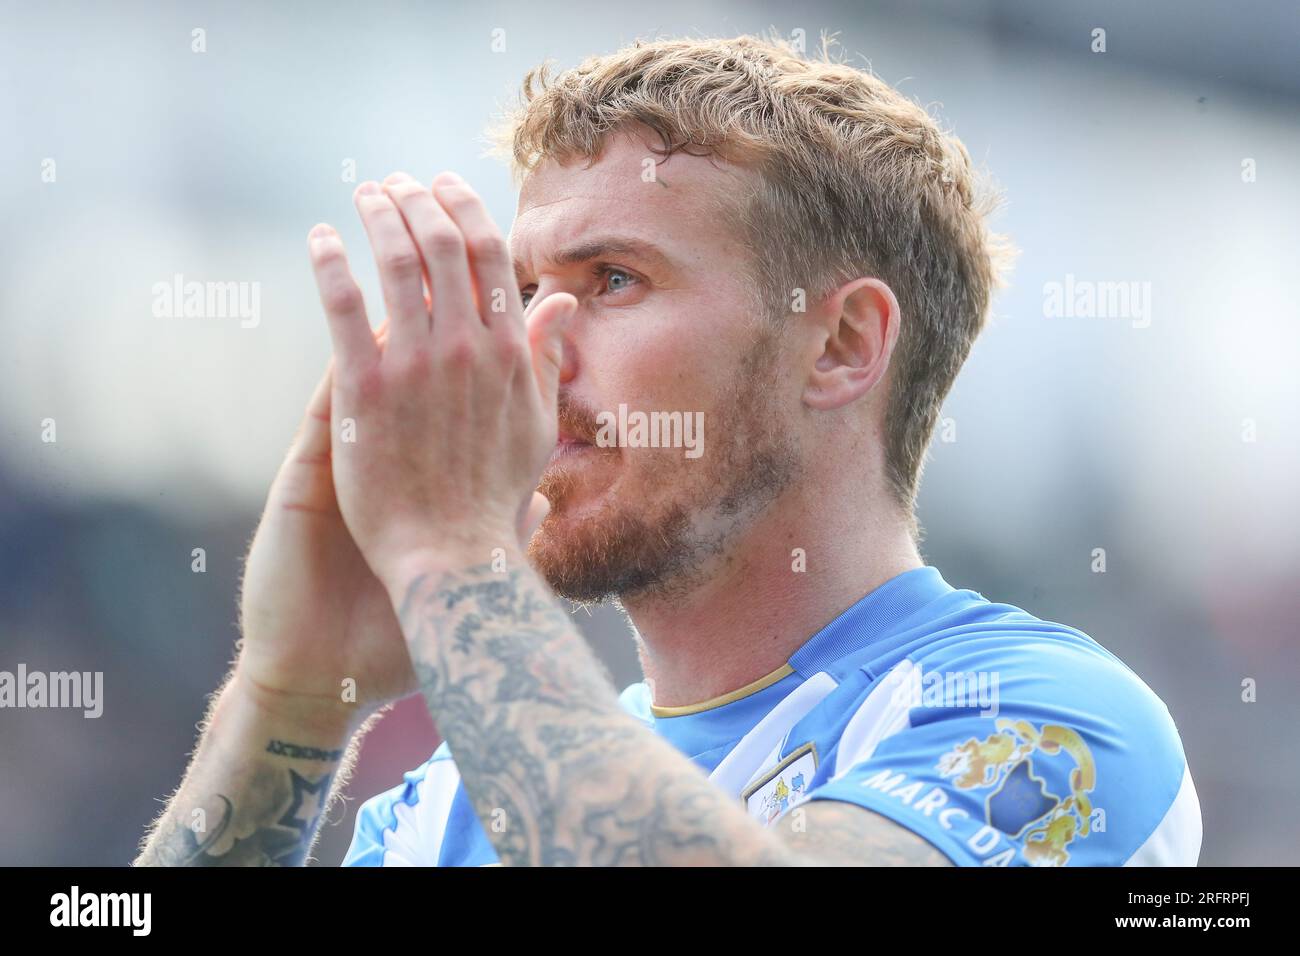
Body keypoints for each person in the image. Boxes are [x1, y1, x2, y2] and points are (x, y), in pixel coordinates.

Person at [135, 33, 1200, 867]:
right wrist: (287, 695)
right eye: (521, 292)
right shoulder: (445, 804)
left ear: (837, 345)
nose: (529, 351)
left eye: (611, 281)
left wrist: (453, 557)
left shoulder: (1042, 715)